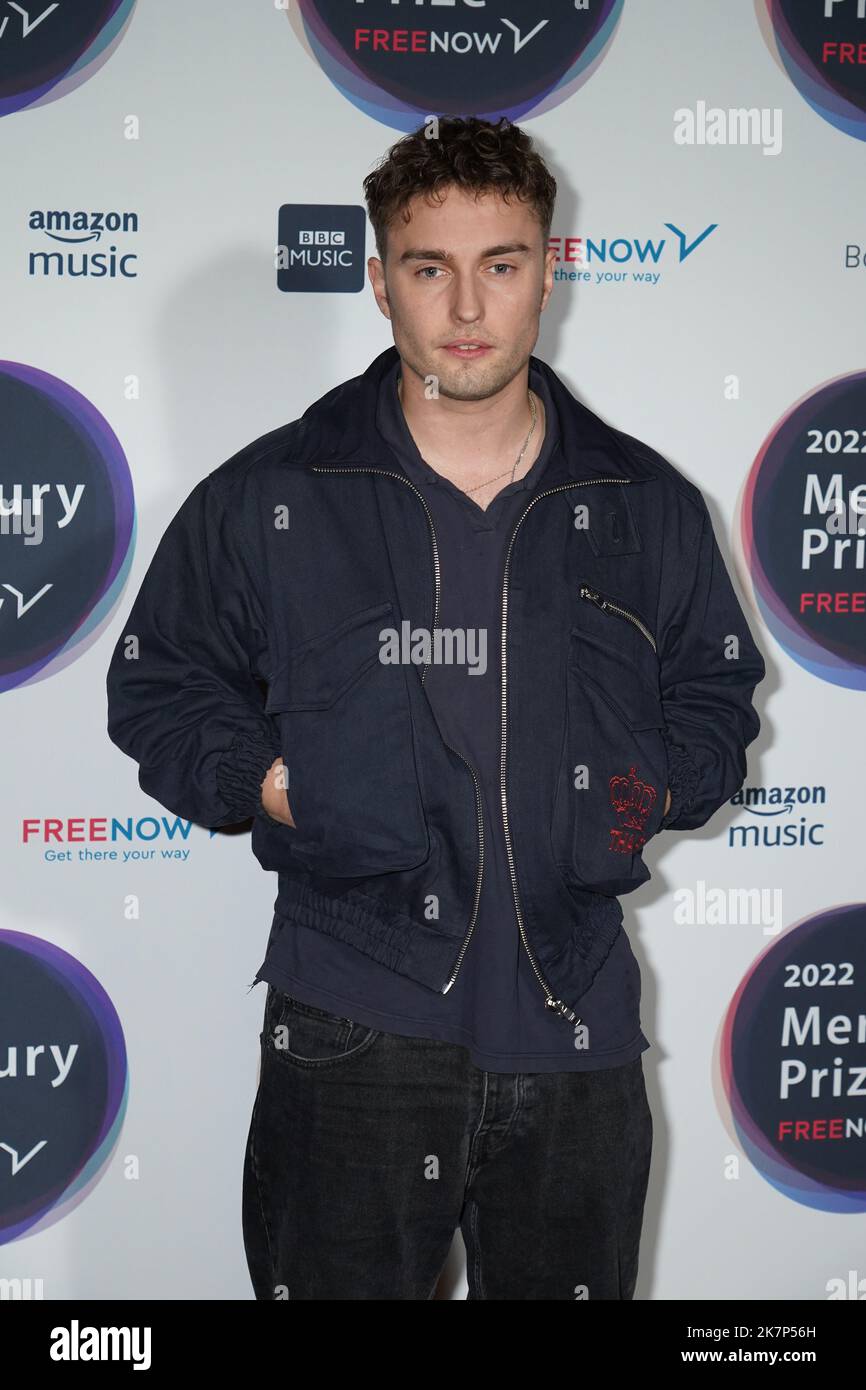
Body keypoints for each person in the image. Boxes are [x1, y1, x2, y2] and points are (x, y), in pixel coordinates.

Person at [105, 116, 766, 1300]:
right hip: (353, 1028)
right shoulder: (272, 495)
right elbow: (160, 682)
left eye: (500, 264)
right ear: (378, 283)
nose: (466, 305)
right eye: (428, 267)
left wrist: (644, 794)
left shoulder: (643, 504)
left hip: (576, 1031)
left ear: (547, 274)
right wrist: (277, 785)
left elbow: (714, 695)